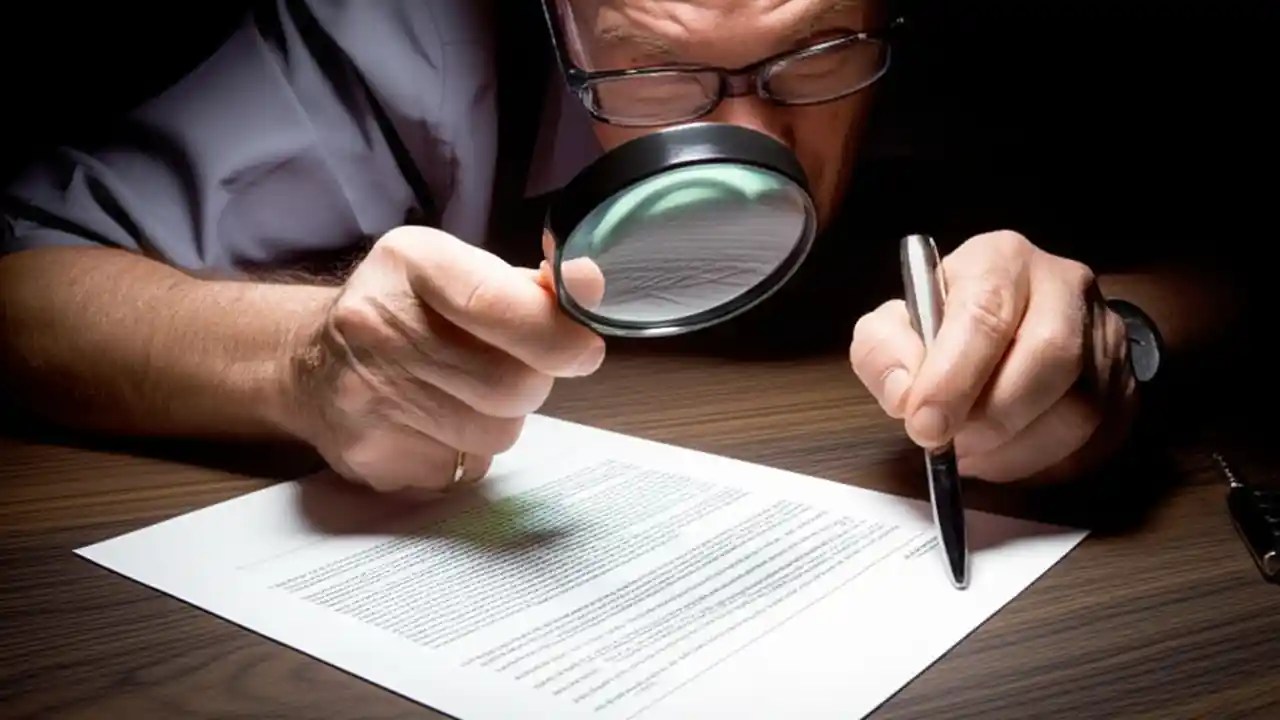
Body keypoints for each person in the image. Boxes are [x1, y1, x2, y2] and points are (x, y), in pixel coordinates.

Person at [0, 0, 1254, 495]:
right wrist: (300, 360)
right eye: (650, 71)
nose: (742, 135)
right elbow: (24, 283)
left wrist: (1113, 336)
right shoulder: (404, 35)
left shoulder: (944, 38)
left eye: (811, 52)